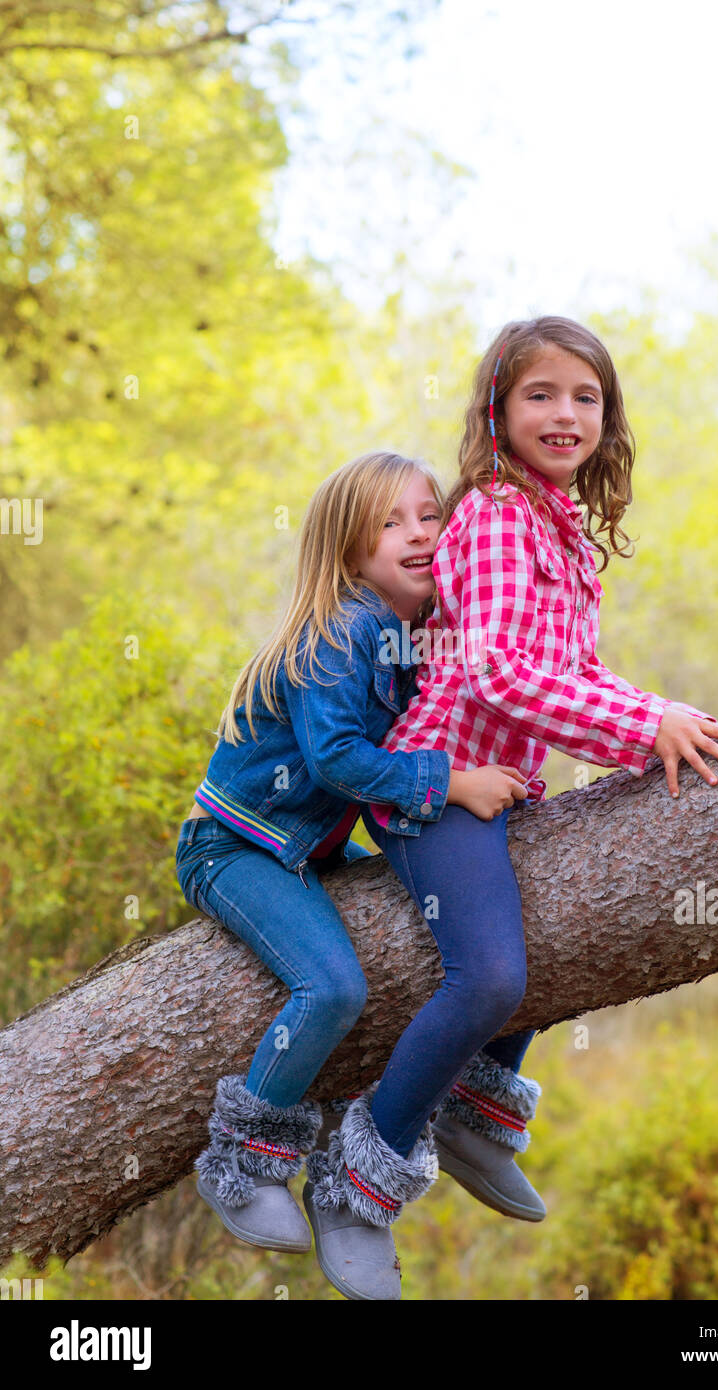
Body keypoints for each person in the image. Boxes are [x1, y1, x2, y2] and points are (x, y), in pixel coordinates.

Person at [316, 315, 718, 1290]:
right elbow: (504, 673)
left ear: (606, 413)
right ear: (497, 411)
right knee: (487, 979)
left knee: (557, 937)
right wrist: (645, 728)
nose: (563, 413)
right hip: (440, 781)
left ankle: (475, 1114)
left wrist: (654, 715)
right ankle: (357, 1180)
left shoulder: (558, 526)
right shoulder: (496, 514)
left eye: (583, 396)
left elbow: (572, 672)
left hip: (504, 786)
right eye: (539, 394)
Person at [175, 451, 527, 1299]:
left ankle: (467, 1108)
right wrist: (453, 782)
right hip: (238, 848)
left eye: (428, 515)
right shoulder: (342, 630)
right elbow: (337, 760)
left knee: (480, 934)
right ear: (347, 551)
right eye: (390, 523)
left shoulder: (415, 632)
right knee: (332, 988)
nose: (417, 535)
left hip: (315, 852)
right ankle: (246, 1160)